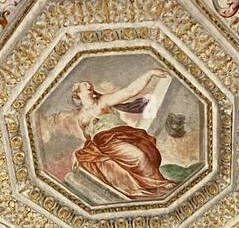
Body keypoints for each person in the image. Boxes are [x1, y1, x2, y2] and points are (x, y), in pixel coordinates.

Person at [66, 68, 175, 200]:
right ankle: (155, 186)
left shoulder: (104, 101)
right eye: (84, 85)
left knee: (142, 155)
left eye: (89, 84)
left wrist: (150, 73)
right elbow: (88, 137)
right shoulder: (82, 118)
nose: (89, 85)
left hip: (120, 136)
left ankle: (156, 184)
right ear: (77, 93)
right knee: (131, 159)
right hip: (103, 143)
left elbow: (129, 91)